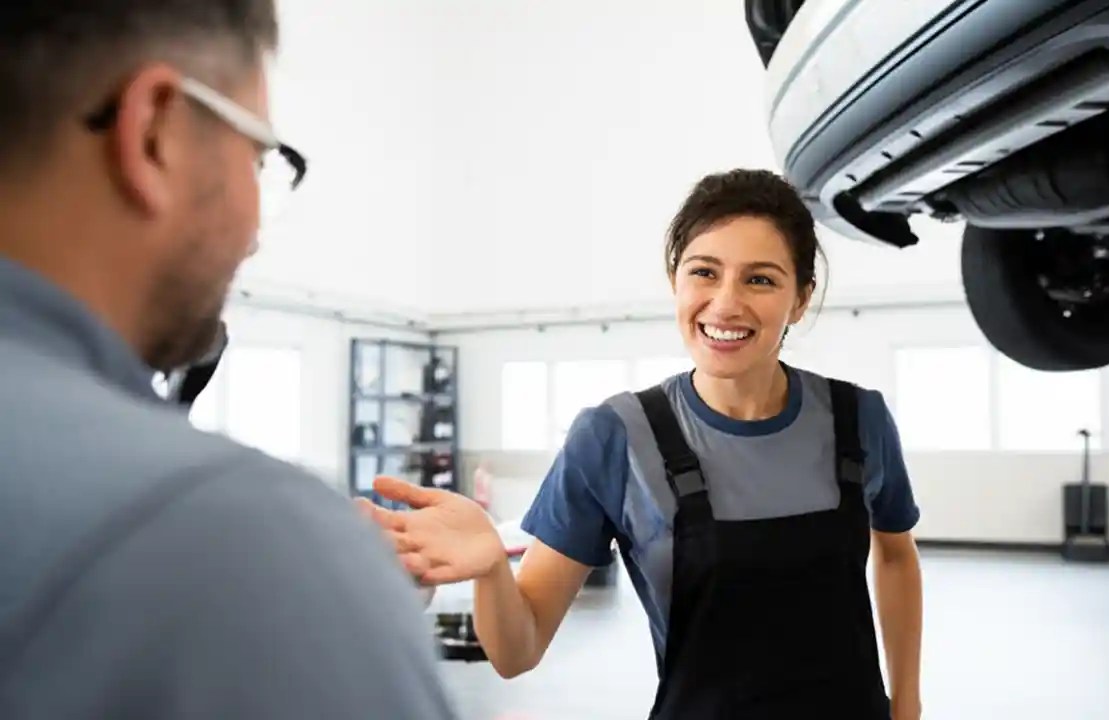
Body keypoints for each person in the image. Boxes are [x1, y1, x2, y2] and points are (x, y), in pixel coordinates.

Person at [0, 3, 456, 718]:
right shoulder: (237, 544)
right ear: (155, 132)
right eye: (260, 158)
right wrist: (329, 603)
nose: (256, 234)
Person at [365, 169, 925, 719]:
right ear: (675, 282)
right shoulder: (615, 437)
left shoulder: (859, 419)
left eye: (760, 279)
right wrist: (491, 570)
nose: (726, 303)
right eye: (704, 272)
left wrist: (907, 705)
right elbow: (518, 650)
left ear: (800, 300)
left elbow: (896, 556)